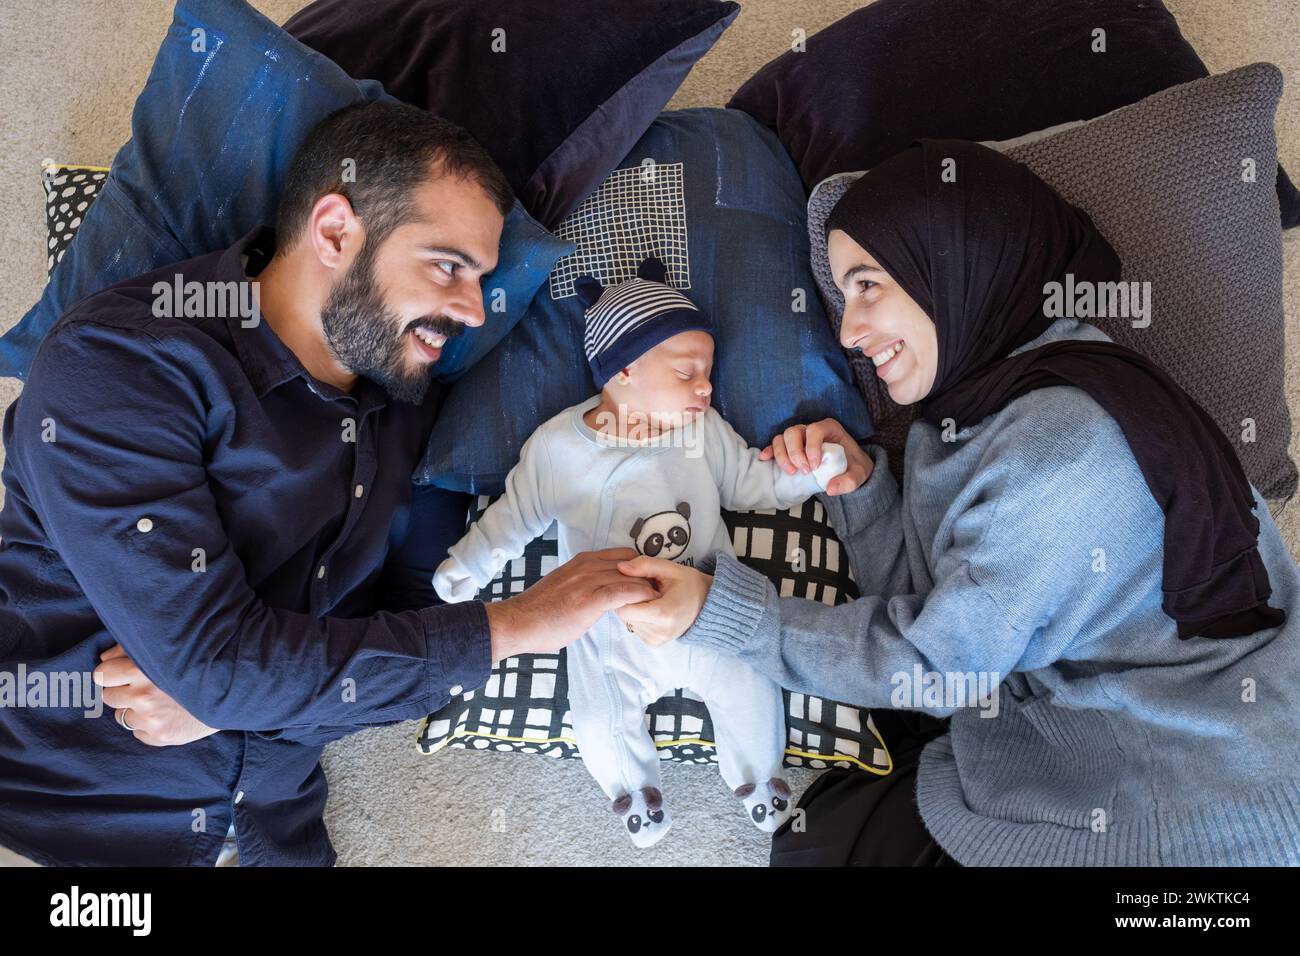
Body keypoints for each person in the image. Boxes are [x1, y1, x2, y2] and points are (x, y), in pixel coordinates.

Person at [0, 101, 657, 866]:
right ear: (337, 230)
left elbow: (414, 633)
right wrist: (521, 624)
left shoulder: (409, 404)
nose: (475, 311)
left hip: (277, 828)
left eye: (480, 278)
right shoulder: (121, 367)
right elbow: (240, 666)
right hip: (54, 820)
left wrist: (242, 697)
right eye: (449, 266)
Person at [614, 139, 1300, 866]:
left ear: (955, 262)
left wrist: (719, 612)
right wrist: (864, 491)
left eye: (869, 284)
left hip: (1196, 809)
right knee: (824, 830)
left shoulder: (1060, 450)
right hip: (1091, 735)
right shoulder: (1007, 392)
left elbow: (936, 670)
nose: (848, 331)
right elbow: (943, 605)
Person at [432, 255, 851, 847]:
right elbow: (514, 517)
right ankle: (632, 793)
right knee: (597, 711)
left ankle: (760, 780)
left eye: (707, 370)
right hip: (608, 627)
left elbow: (753, 486)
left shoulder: (702, 432)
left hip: (708, 603)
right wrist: (467, 567)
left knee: (749, 681)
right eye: (686, 372)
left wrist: (810, 474)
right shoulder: (557, 447)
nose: (705, 385)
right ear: (622, 371)